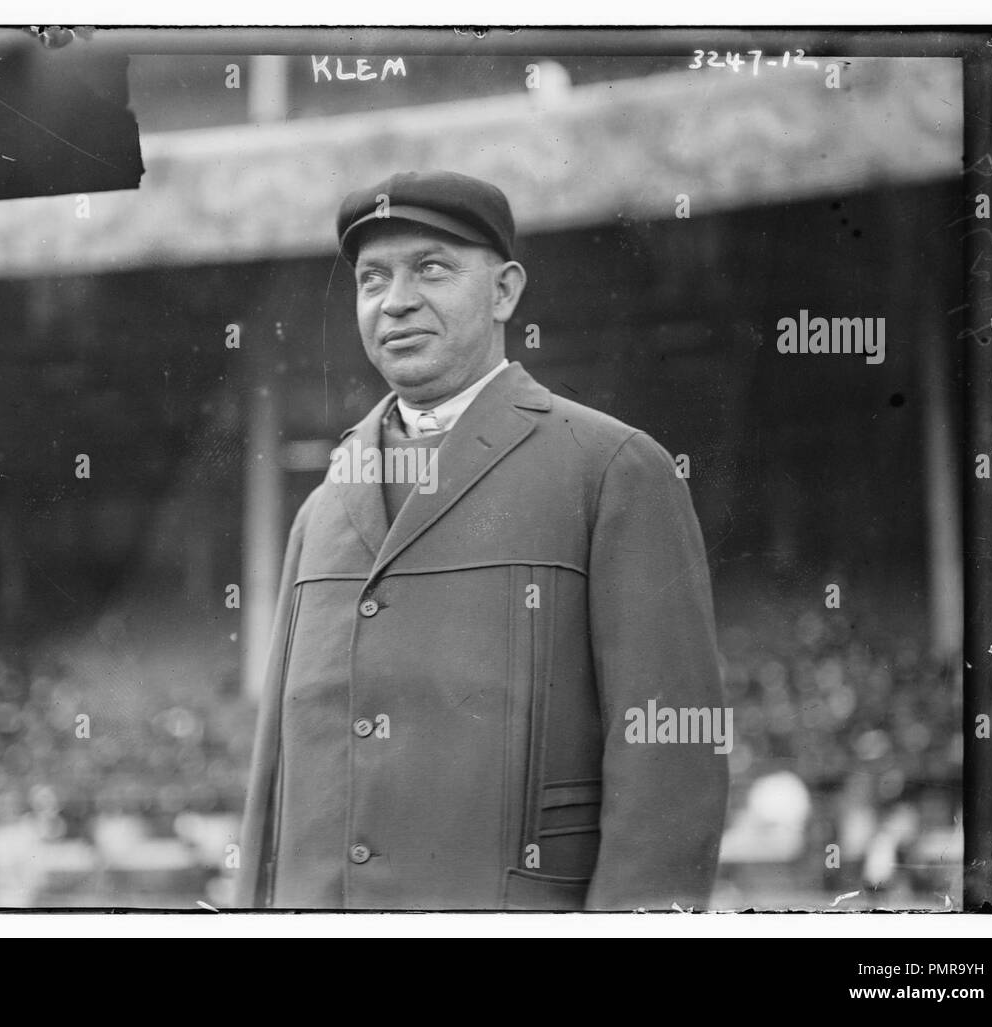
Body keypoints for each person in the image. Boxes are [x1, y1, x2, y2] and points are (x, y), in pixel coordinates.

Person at [237, 169, 727, 910]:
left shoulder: (613, 468)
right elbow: (273, 782)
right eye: (373, 278)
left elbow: (673, 764)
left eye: (431, 268)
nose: (396, 300)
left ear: (504, 291)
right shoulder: (321, 507)